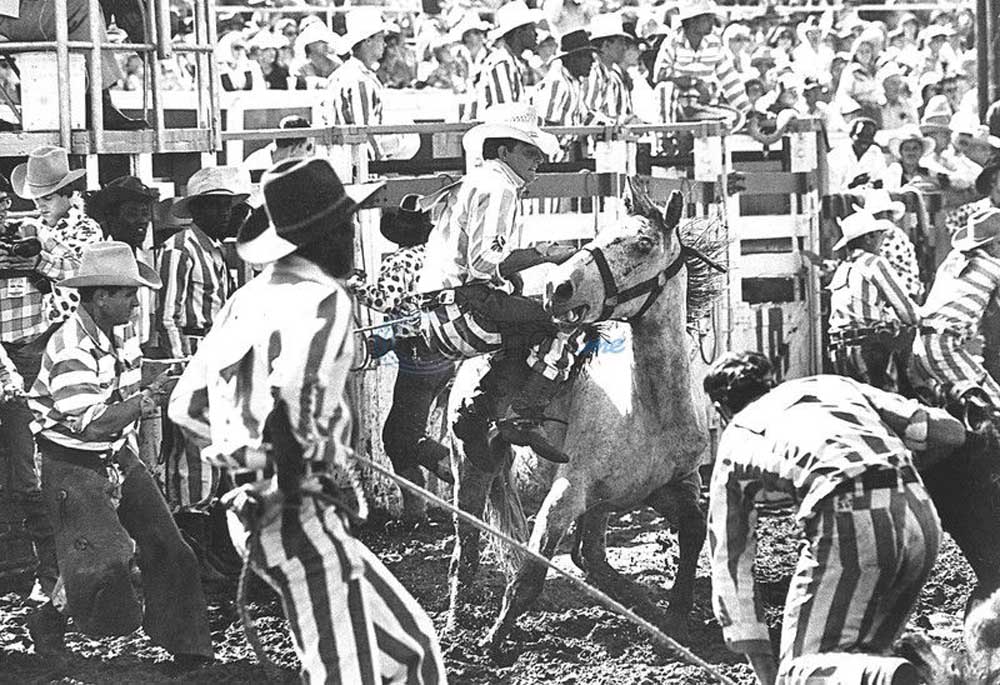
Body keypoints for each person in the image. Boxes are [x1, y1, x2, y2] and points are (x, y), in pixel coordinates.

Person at [169, 158, 447, 684]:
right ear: (323, 235)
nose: (352, 235)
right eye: (346, 225)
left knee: (411, 648)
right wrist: (293, 476)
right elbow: (293, 392)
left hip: (266, 508)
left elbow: (187, 405)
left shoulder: (246, 299)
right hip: (296, 511)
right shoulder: (324, 300)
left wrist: (248, 465)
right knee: (348, 671)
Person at [703, 351, 958, 685]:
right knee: (862, 656)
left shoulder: (736, 436)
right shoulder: (831, 384)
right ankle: (892, 672)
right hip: (919, 511)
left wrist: (772, 676)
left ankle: (889, 676)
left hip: (848, 513)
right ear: (774, 382)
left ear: (721, 408)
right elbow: (949, 432)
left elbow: (730, 566)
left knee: (802, 671)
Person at [27, 241, 212, 664]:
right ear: (100, 297)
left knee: (171, 548)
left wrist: (172, 371)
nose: (135, 303)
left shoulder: (119, 333)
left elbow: (127, 377)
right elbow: (93, 423)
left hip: (116, 455)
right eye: (127, 294)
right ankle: (49, 619)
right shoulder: (70, 346)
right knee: (106, 563)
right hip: (70, 462)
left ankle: (190, 650)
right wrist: (148, 400)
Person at [417, 103, 579, 464]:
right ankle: (520, 413)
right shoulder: (499, 187)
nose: (538, 161)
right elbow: (482, 264)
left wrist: (528, 264)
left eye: (538, 153)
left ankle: (479, 413)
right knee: (561, 323)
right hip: (461, 309)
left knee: (525, 319)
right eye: (529, 152)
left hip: (438, 310)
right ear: (504, 152)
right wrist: (539, 257)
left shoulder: (478, 181)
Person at [157, 166, 247, 577]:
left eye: (227, 206)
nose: (224, 214)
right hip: (193, 354)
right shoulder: (179, 249)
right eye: (215, 206)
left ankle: (218, 551)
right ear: (196, 209)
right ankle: (192, 555)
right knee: (192, 453)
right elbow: (168, 316)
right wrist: (183, 369)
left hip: (219, 356)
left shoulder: (217, 252)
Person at [0, 168, 77, 630]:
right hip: (4, 361)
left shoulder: (32, 233)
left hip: (31, 355)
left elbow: (77, 271)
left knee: (31, 474)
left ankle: (49, 576)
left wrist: (37, 262)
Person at [348, 194, 456, 500]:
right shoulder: (437, 256)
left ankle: (461, 473)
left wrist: (354, 285)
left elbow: (384, 300)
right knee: (397, 438)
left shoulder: (400, 261)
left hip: (418, 358)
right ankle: (417, 509)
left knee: (402, 438)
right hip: (440, 352)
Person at [0, 0, 146, 128]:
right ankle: (97, 106)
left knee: (112, 4)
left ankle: (98, 104)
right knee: (82, 8)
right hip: (7, 12)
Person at [914, 208, 1000, 407]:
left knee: (967, 403)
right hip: (944, 344)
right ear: (995, 244)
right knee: (993, 401)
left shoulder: (953, 259)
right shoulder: (992, 267)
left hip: (924, 341)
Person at [827, 208, 920, 392]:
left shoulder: (843, 268)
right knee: (887, 400)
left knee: (854, 402)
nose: (882, 239)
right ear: (868, 238)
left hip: (839, 349)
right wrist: (918, 321)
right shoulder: (874, 263)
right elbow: (906, 310)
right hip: (869, 348)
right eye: (878, 235)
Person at [12, 146, 103, 327]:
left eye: (47, 198)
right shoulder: (34, 227)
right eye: (36, 199)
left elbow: (80, 273)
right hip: (39, 324)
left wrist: (39, 261)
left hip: (77, 323)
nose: (40, 206)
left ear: (67, 193)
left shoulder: (87, 229)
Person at [86, 175, 160, 346]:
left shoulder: (145, 259)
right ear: (112, 218)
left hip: (137, 350)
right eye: (132, 214)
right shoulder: (98, 261)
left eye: (145, 214)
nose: (142, 221)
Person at [652, 0, 750, 124]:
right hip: (677, 105)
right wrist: (693, 82)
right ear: (692, 21)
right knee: (665, 88)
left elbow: (729, 79)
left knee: (736, 117)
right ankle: (667, 132)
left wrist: (746, 109)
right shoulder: (673, 41)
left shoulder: (714, 43)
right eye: (708, 18)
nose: (712, 23)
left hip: (702, 106)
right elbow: (659, 75)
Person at [469, 1, 543, 120]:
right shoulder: (502, 62)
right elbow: (505, 113)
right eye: (531, 29)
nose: (536, 34)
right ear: (519, 33)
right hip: (497, 129)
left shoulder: (512, 61)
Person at [326, 7, 391, 131]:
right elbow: (363, 132)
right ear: (368, 41)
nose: (384, 44)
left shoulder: (346, 73)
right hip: (353, 142)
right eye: (381, 38)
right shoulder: (358, 79)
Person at [583, 14, 636, 125]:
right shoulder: (593, 71)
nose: (624, 48)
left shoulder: (610, 73)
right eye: (620, 43)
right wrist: (621, 122)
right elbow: (588, 113)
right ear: (606, 45)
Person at [241, 114, 315, 180]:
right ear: (294, 148)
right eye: (309, 147)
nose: (310, 154)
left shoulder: (256, 160)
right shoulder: (254, 166)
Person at [827, 118, 887, 193]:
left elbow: (882, 178)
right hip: (843, 197)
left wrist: (875, 184)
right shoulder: (837, 154)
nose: (865, 141)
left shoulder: (876, 152)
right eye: (861, 136)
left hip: (868, 196)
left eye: (869, 137)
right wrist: (853, 185)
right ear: (852, 135)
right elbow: (832, 189)